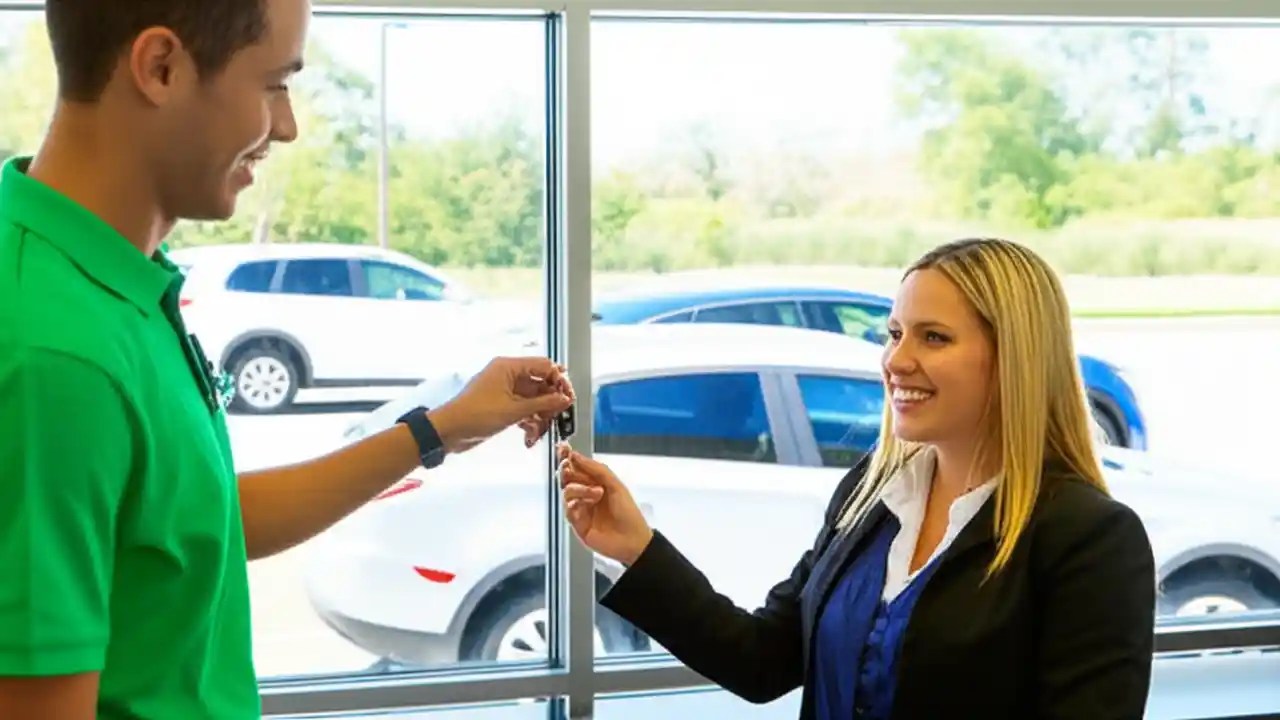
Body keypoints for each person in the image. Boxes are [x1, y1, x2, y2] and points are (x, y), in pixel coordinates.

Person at [0, 1, 574, 718]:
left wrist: (442, 429)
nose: (287, 126)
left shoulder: (109, 278)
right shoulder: (52, 354)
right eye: (274, 84)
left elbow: (188, 521)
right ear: (161, 67)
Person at [558, 237, 1158, 720]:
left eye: (934, 337)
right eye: (894, 334)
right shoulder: (870, 495)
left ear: (1014, 359)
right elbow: (762, 660)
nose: (896, 361)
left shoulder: (1089, 540)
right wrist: (636, 550)